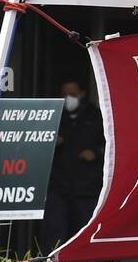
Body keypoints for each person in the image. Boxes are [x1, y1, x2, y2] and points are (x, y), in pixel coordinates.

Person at [42, 79, 105, 253]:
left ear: (82, 94)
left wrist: (96, 152)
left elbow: (111, 142)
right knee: (55, 229)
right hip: (58, 184)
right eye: (64, 94)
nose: (68, 98)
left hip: (87, 186)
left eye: (73, 94)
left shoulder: (95, 115)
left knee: (83, 232)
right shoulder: (54, 115)